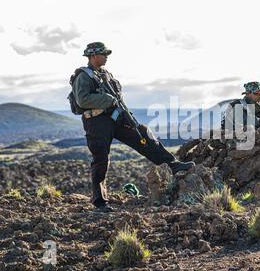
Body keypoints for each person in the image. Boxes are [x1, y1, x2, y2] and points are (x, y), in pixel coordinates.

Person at [71, 42, 195, 212]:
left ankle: (172, 164)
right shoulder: (83, 76)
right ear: (92, 56)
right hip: (97, 121)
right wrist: (106, 100)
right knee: (101, 158)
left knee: (143, 134)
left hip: (116, 117)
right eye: (103, 53)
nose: (106, 56)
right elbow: (82, 100)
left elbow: (117, 96)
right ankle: (99, 202)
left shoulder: (105, 74)